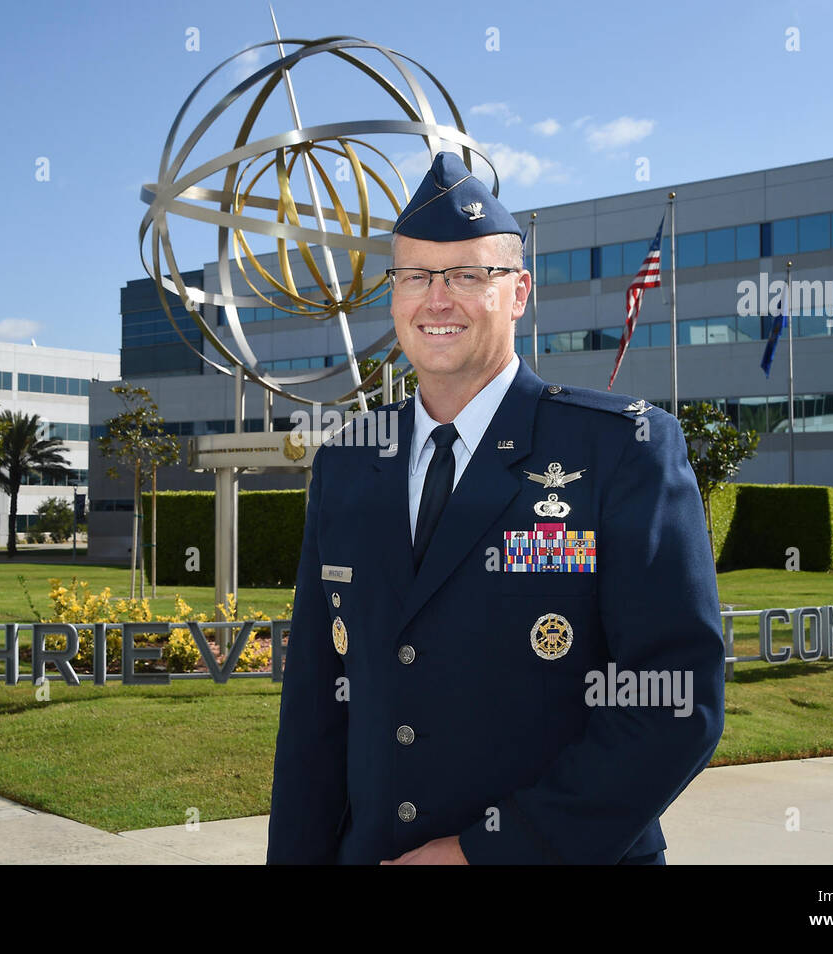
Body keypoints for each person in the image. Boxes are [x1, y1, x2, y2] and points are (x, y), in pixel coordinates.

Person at [266, 151, 725, 865]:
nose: (436, 299)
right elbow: (316, 715)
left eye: (468, 275)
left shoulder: (620, 452)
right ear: (393, 295)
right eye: (415, 276)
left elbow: (673, 702)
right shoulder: (348, 465)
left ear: (519, 292)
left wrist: (486, 853)